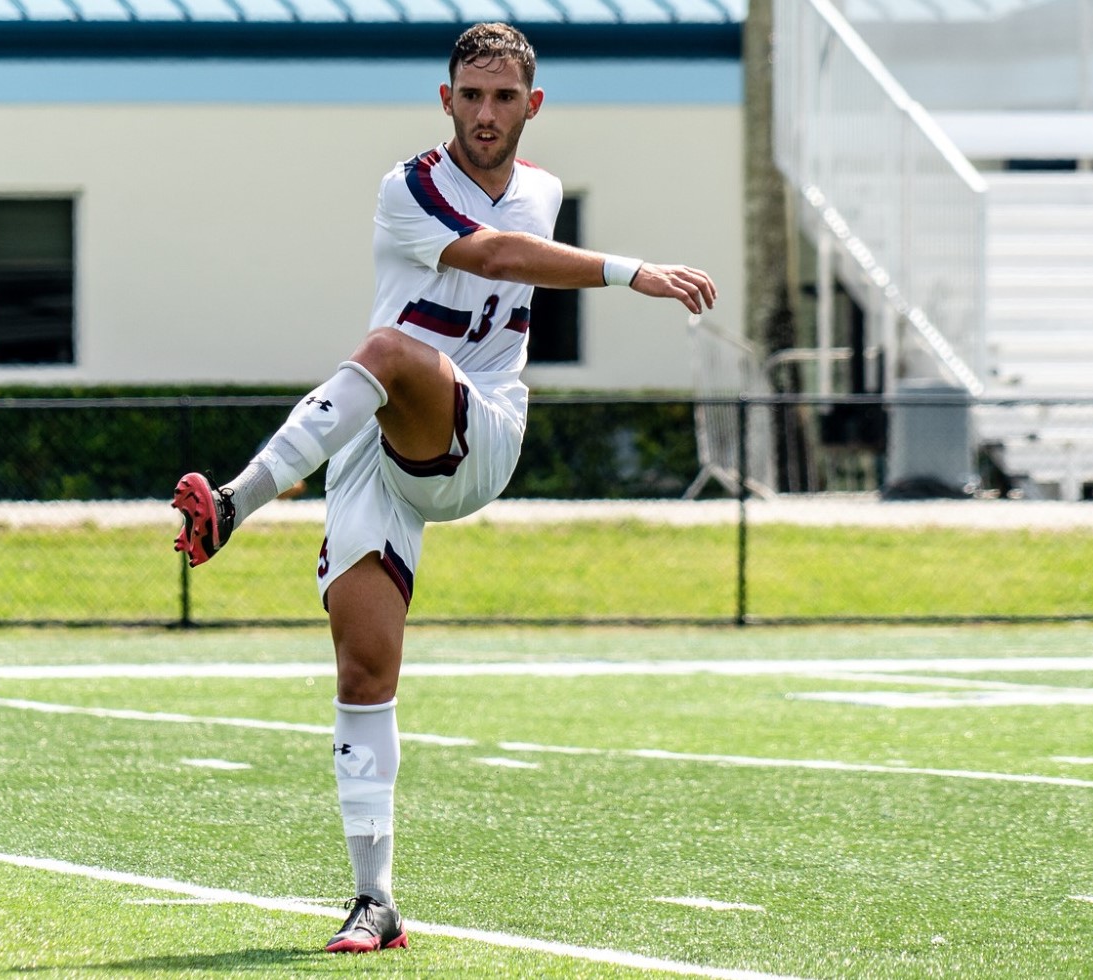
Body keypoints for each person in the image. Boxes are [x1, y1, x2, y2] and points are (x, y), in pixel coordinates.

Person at [170, 21, 717, 954]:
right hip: (378, 452)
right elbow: (495, 257)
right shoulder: (408, 186)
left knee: (387, 351)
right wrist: (631, 271)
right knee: (363, 674)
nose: (486, 113)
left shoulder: (540, 190)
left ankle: (234, 502)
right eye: (471, 95)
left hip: (482, 434)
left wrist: (628, 277)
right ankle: (374, 900)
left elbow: (510, 259)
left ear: (532, 106)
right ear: (446, 99)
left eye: (504, 97)